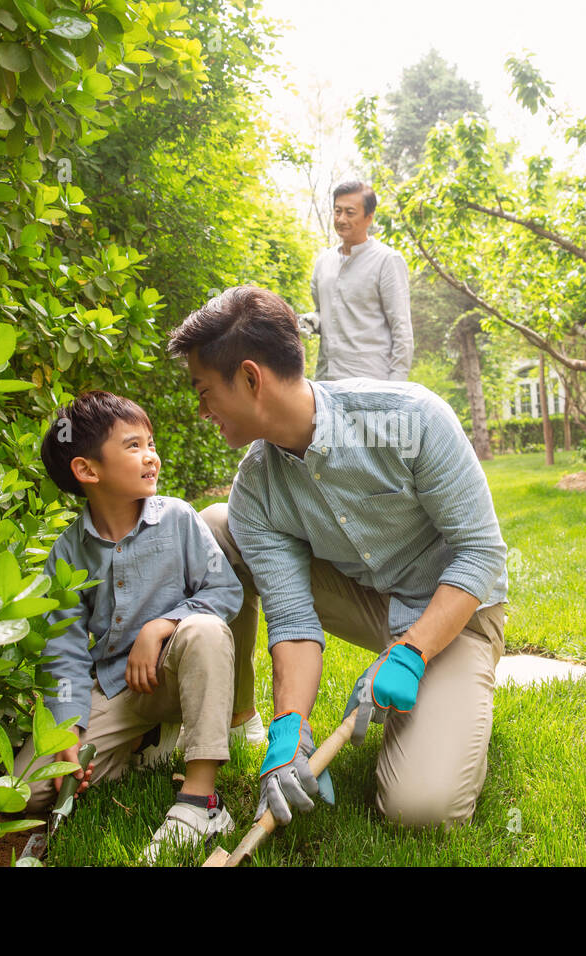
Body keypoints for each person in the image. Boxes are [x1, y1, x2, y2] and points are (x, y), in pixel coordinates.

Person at [168, 286, 508, 829]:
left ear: (252, 379)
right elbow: (295, 619)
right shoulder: (256, 487)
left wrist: (412, 653)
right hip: (363, 599)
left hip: (456, 611)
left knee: (420, 811)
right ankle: (241, 719)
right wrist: (290, 731)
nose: (201, 409)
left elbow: (480, 551)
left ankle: (457, 694)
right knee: (216, 527)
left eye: (205, 391)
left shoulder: (411, 418)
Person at [21, 390, 256, 864]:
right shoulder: (68, 553)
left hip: (175, 670)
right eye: (134, 446)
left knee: (205, 630)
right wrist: (68, 732)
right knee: (29, 791)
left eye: (150, 443)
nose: (151, 456)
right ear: (88, 471)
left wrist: (161, 626)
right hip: (118, 687)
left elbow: (226, 593)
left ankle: (201, 799)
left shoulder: (178, 519)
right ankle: (143, 742)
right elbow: (63, 650)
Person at [299, 181, 414, 381]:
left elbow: (401, 330)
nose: (341, 219)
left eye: (350, 212)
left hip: (372, 384)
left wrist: (395, 389)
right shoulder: (324, 261)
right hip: (327, 383)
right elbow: (324, 312)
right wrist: (313, 320)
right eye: (337, 211)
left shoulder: (387, 261)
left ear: (369, 217)